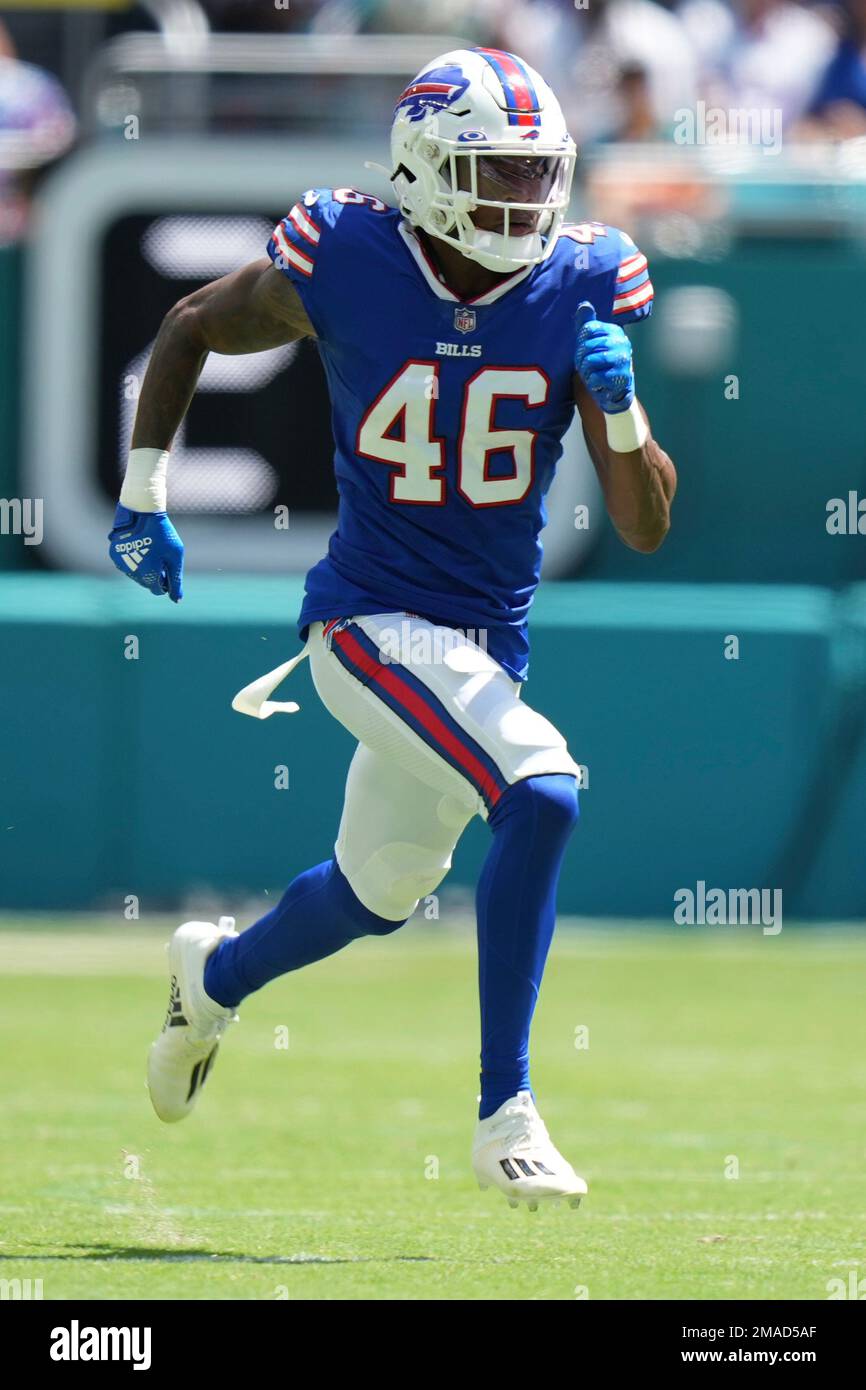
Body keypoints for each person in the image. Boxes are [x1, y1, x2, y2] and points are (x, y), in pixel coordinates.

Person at [108, 46, 676, 1210]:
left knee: (375, 890)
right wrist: (142, 497)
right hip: (366, 621)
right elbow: (187, 325)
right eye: (491, 173)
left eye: (534, 175)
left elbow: (647, 525)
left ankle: (211, 976)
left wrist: (617, 417)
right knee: (544, 788)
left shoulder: (582, 281)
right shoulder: (350, 252)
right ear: (421, 168)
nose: (520, 201)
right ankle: (504, 1111)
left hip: (480, 644)